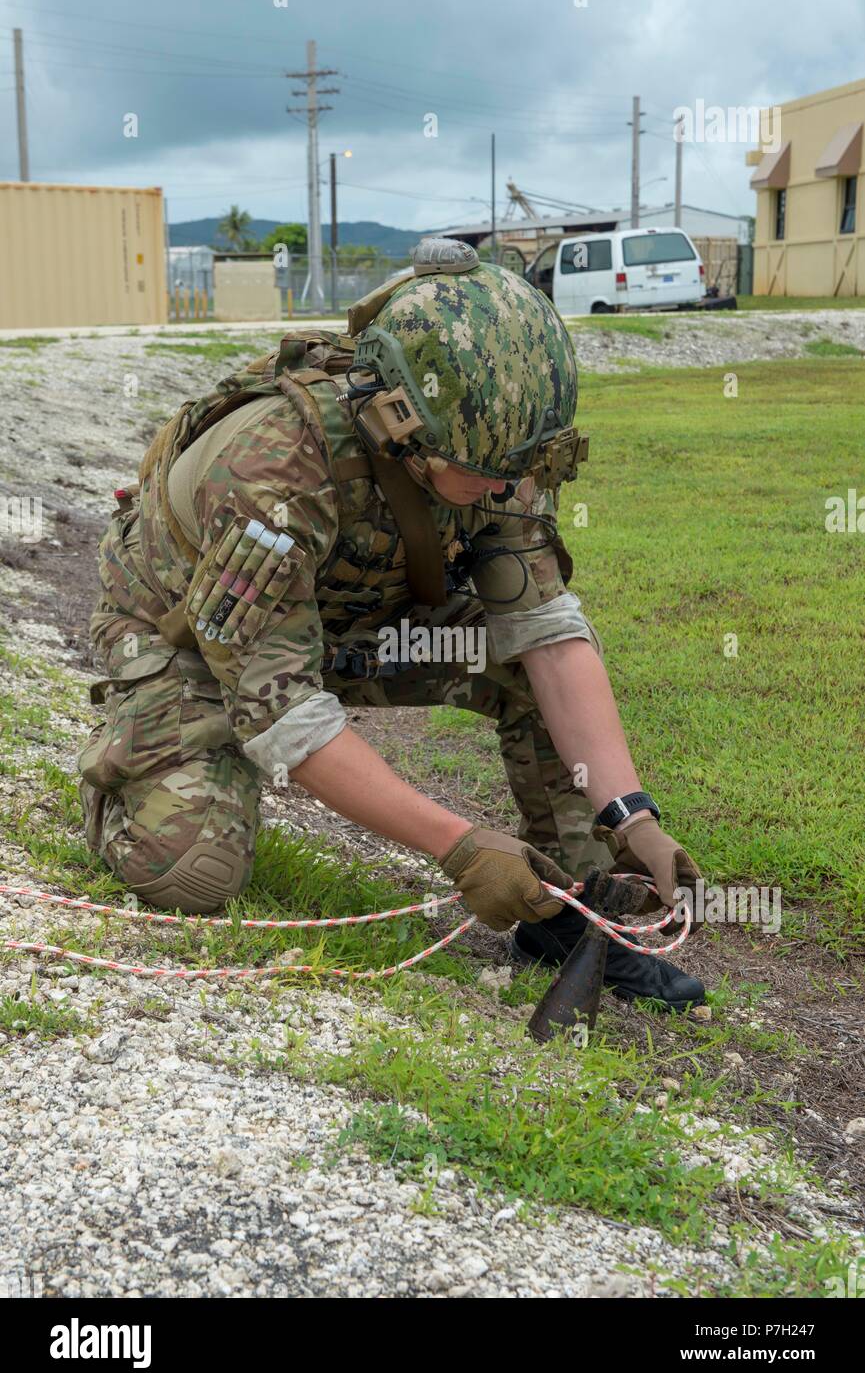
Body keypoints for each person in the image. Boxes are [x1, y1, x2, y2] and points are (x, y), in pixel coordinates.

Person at [78, 237, 705, 1009]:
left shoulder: (490, 451)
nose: (506, 487)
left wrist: (630, 817)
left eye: (517, 468)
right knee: (189, 873)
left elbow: (545, 633)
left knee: (528, 675)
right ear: (396, 421)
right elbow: (284, 712)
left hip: (344, 623)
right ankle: (128, 768)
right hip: (190, 645)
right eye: (487, 471)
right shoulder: (273, 469)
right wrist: (460, 849)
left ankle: (568, 914)